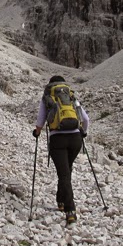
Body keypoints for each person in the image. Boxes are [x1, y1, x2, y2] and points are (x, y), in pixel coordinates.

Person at [33, 75, 90, 225]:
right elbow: (85, 119)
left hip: (58, 139)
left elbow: (41, 119)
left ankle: (70, 210)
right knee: (66, 170)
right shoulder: (71, 96)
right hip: (75, 139)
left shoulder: (48, 96)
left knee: (64, 173)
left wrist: (37, 132)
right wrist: (83, 132)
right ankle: (61, 200)